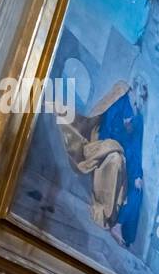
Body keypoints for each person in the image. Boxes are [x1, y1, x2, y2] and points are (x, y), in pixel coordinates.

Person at [60, 75, 148, 248]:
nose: (143, 97)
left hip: (126, 155)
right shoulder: (121, 97)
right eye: (142, 91)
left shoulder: (139, 118)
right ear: (136, 86)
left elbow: (136, 149)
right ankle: (105, 213)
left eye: (145, 95)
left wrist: (137, 174)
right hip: (106, 144)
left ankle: (118, 226)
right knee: (116, 160)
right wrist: (123, 127)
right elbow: (106, 125)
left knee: (138, 188)